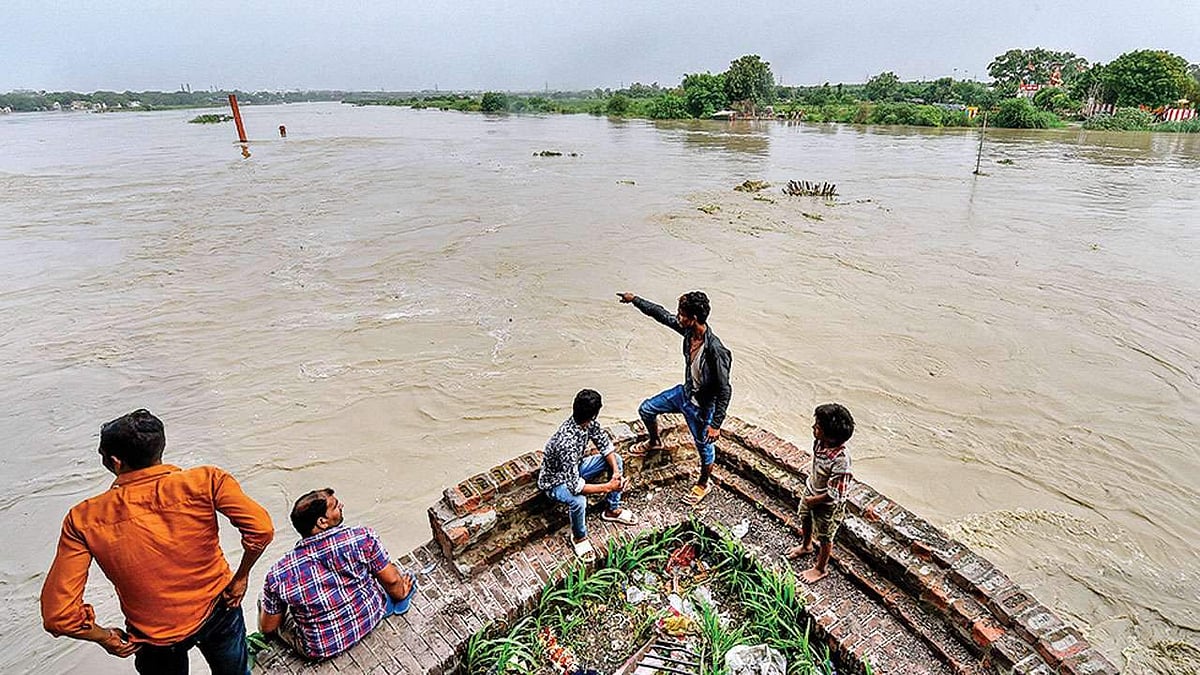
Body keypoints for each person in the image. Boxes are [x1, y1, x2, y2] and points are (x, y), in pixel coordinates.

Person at [40, 409, 274, 675]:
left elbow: (58, 616)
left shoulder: (83, 519)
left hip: (153, 637)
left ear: (116, 462)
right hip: (219, 606)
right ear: (160, 449)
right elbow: (261, 530)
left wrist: (104, 637)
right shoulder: (206, 480)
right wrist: (241, 577)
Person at [258, 488, 417, 660]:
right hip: (371, 616)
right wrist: (401, 593)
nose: (341, 505)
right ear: (322, 522)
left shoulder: (279, 574)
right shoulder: (362, 538)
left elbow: (269, 627)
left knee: (264, 600)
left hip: (322, 649)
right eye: (334, 506)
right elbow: (393, 582)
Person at [617, 291, 733, 505]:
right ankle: (654, 441)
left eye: (681, 314)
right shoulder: (688, 332)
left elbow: (725, 389)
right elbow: (660, 314)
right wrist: (635, 300)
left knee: (705, 448)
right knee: (647, 409)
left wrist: (716, 425)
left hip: (703, 408)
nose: (678, 317)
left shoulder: (715, 351)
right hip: (685, 394)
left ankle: (703, 483)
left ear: (694, 318)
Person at [538, 389, 637, 559]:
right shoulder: (565, 442)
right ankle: (579, 537)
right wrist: (608, 487)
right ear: (595, 414)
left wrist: (615, 473)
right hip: (554, 482)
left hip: (576, 467)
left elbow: (605, 445)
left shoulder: (588, 424)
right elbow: (575, 487)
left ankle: (612, 510)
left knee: (617, 460)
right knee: (579, 501)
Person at [787, 403, 855, 583]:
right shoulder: (820, 443)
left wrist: (813, 501)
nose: (813, 428)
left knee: (825, 537)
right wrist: (810, 498)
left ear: (831, 437)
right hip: (812, 490)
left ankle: (820, 568)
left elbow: (835, 494)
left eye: (817, 427)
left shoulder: (841, 462)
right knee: (805, 518)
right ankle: (806, 545)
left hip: (827, 504)